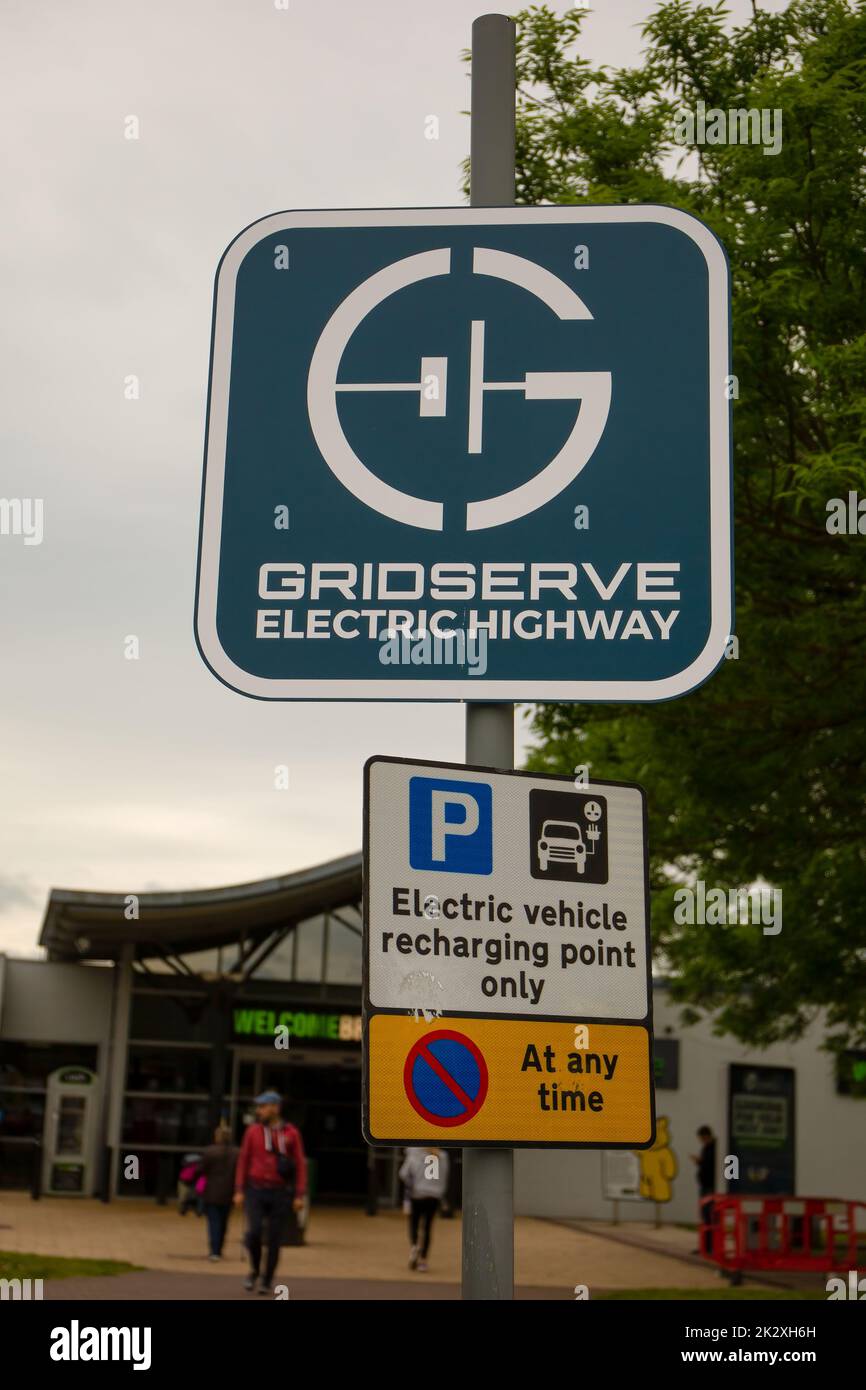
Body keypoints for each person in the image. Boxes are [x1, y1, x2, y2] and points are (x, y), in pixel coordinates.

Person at [234, 1090, 307, 1294]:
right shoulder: (252, 1132)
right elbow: (243, 1160)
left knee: (275, 1238)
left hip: (279, 1191)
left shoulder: (291, 1133)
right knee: (253, 1232)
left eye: (263, 1106)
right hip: (255, 1189)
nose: (259, 1111)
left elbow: (300, 1164)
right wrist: (239, 1189)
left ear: (275, 1108)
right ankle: (254, 1269)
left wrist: (299, 1195)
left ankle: (267, 1278)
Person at [399, 1145, 449, 1272]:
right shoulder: (442, 1156)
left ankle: (415, 1245)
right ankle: (423, 1260)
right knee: (427, 1227)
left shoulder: (414, 1155)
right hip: (434, 1196)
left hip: (418, 1194)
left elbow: (404, 1174)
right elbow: (444, 1177)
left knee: (414, 1224)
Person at [199, 1123, 239, 1261]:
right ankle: (219, 1249)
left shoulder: (210, 1152)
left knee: (214, 1221)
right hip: (229, 1192)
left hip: (212, 1192)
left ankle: (214, 1250)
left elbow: (202, 1169)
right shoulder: (236, 1153)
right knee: (223, 1222)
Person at [690, 1124, 717, 1254]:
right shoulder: (707, 1147)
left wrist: (699, 1162)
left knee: (709, 1216)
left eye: (701, 1138)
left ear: (705, 1136)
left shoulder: (714, 1148)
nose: (700, 1141)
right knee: (705, 1217)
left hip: (710, 1187)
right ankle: (705, 1246)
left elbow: (710, 1165)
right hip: (705, 1186)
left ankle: (709, 1247)